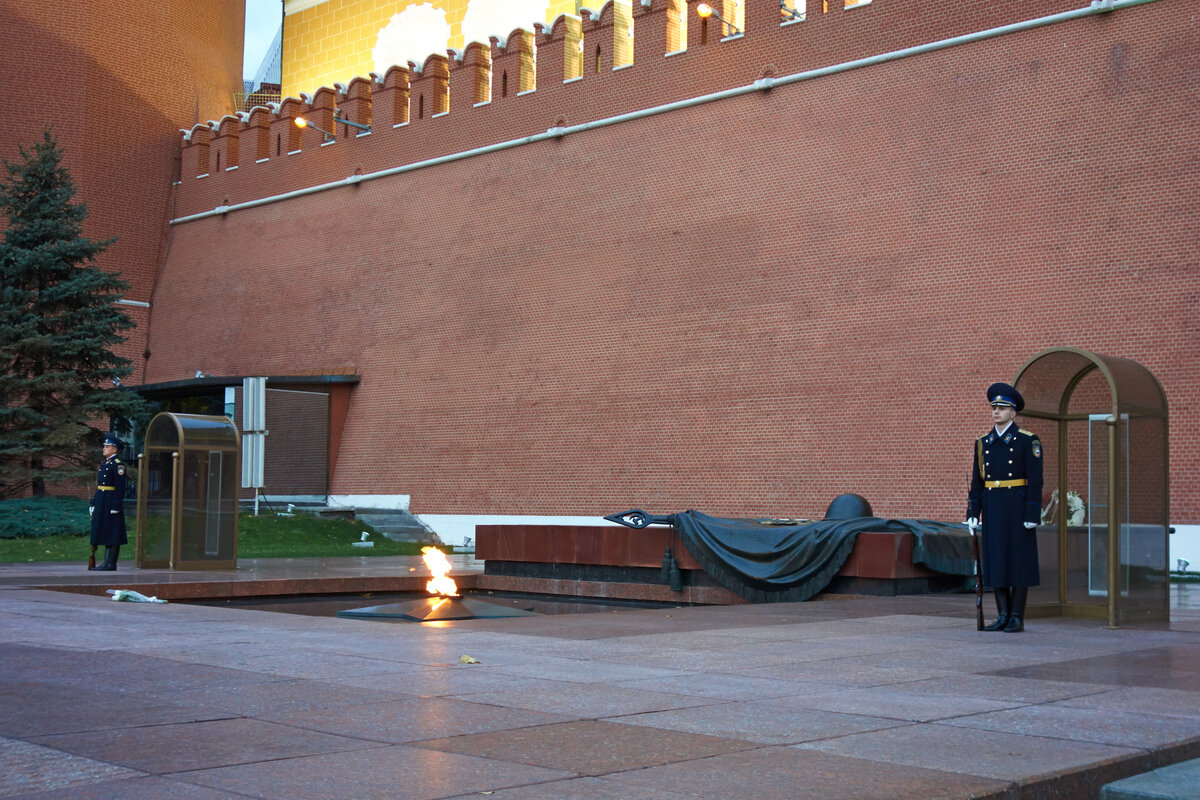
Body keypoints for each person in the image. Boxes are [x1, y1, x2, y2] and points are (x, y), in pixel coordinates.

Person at [966, 382, 1043, 632]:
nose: (996, 412)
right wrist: (972, 514)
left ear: (1013, 413)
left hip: (1017, 507)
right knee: (996, 560)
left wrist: (1032, 512)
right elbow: (977, 482)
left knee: (1018, 561)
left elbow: (1036, 479)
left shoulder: (1026, 441)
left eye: (1002, 408)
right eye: (994, 407)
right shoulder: (983, 443)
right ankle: (1002, 615)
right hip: (993, 506)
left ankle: (1016, 616)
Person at [89, 433, 128, 571]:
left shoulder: (118, 465)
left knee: (112, 531)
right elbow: (99, 486)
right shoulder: (105, 464)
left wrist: (116, 505)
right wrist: (94, 503)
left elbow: (120, 487)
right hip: (102, 500)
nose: (104, 448)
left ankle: (110, 563)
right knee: (105, 530)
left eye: (107, 446)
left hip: (111, 501)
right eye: (104, 446)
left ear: (115, 449)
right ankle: (106, 562)